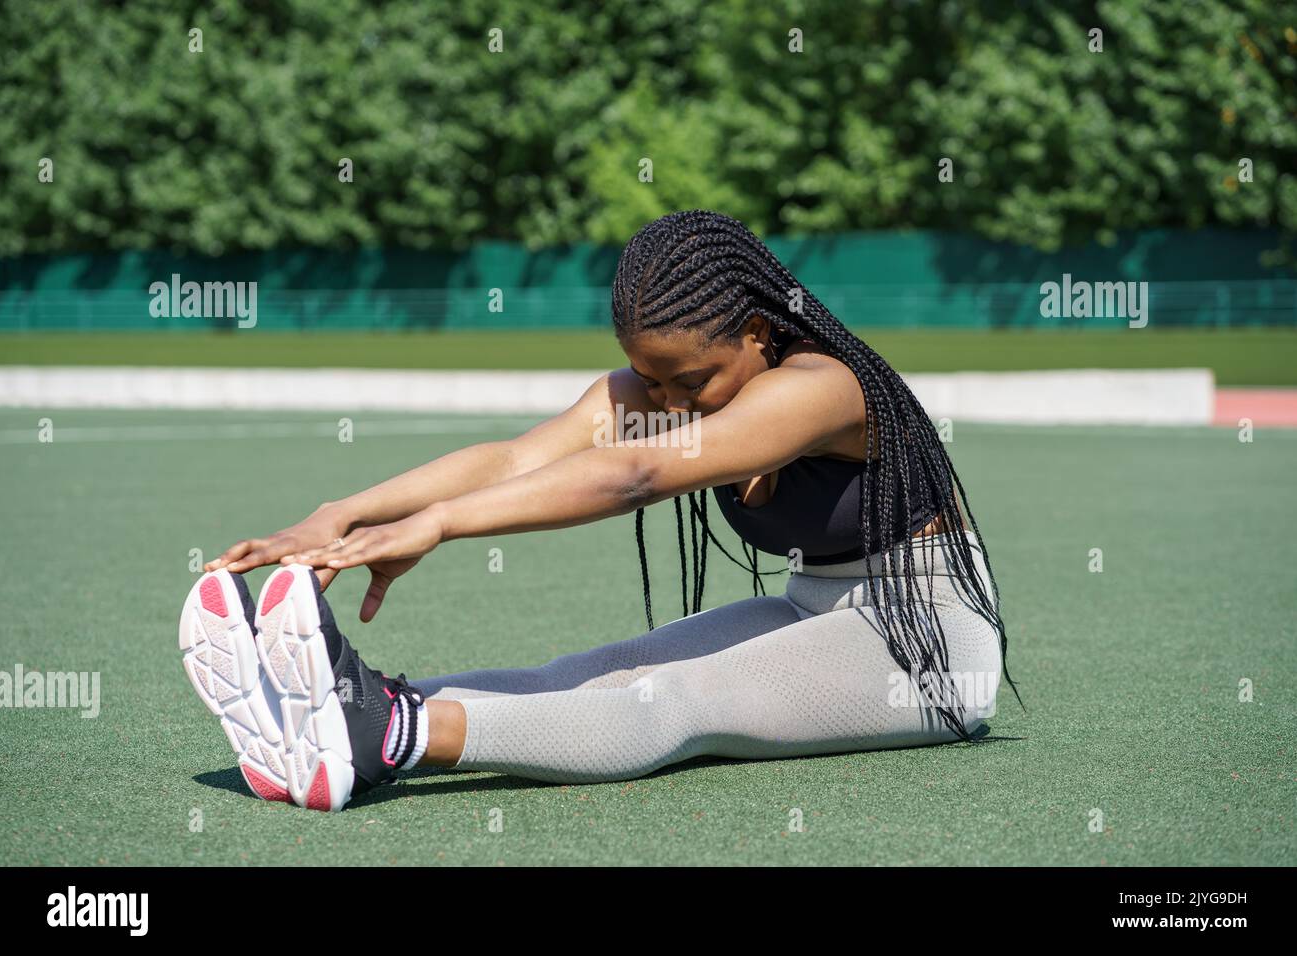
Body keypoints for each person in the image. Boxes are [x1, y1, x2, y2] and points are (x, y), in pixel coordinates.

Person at [178, 209, 1019, 812]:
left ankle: (388, 734)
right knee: (595, 668)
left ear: (761, 333)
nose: (664, 399)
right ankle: (338, 708)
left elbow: (637, 474)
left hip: (929, 642)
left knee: (679, 701)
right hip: (813, 606)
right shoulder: (667, 387)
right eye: (648, 379)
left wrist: (438, 525)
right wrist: (347, 515)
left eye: (689, 382)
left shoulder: (820, 389)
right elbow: (515, 458)